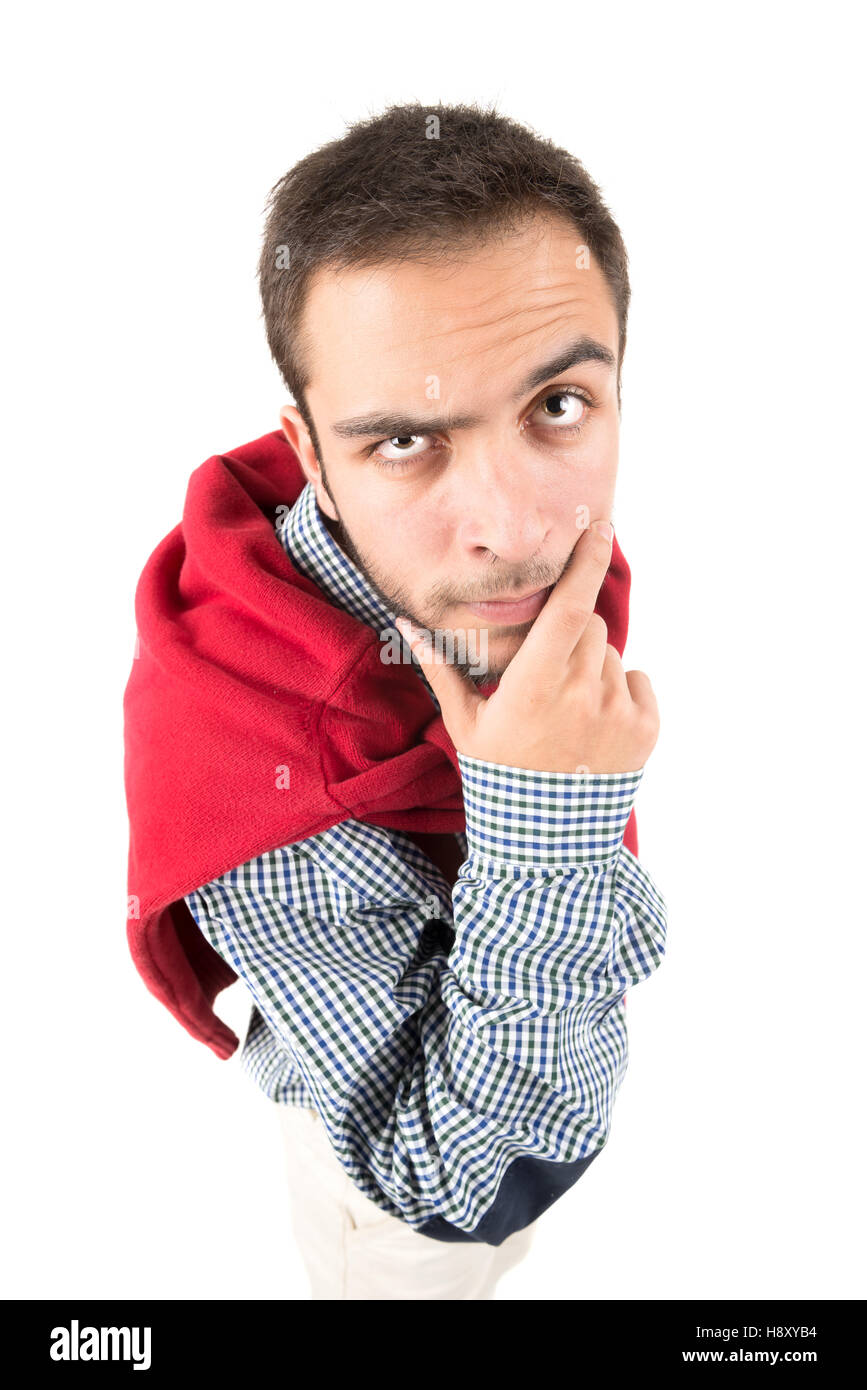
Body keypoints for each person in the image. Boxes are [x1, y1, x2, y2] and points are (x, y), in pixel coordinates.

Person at [135, 100, 668, 1300]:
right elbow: (451, 1182)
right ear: (310, 454)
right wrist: (549, 814)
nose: (514, 528)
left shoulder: (463, 568)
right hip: (389, 1209)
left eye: (559, 406)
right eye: (407, 442)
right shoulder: (291, 801)